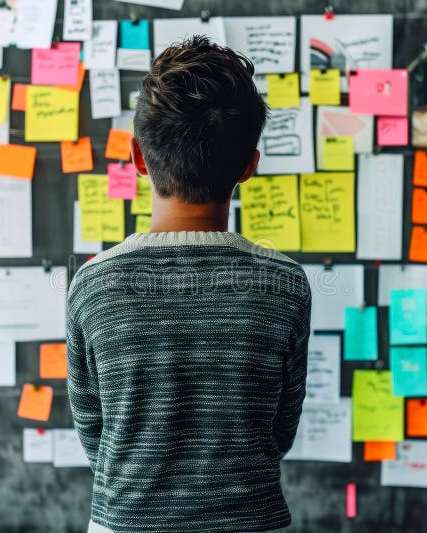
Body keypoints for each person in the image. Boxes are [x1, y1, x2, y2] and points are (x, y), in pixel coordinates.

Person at [66, 36, 312, 533]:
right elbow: (280, 431)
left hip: (127, 523)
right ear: (249, 165)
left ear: (137, 156)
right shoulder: (285, 285)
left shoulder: (93, 285)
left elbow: (94, 434)